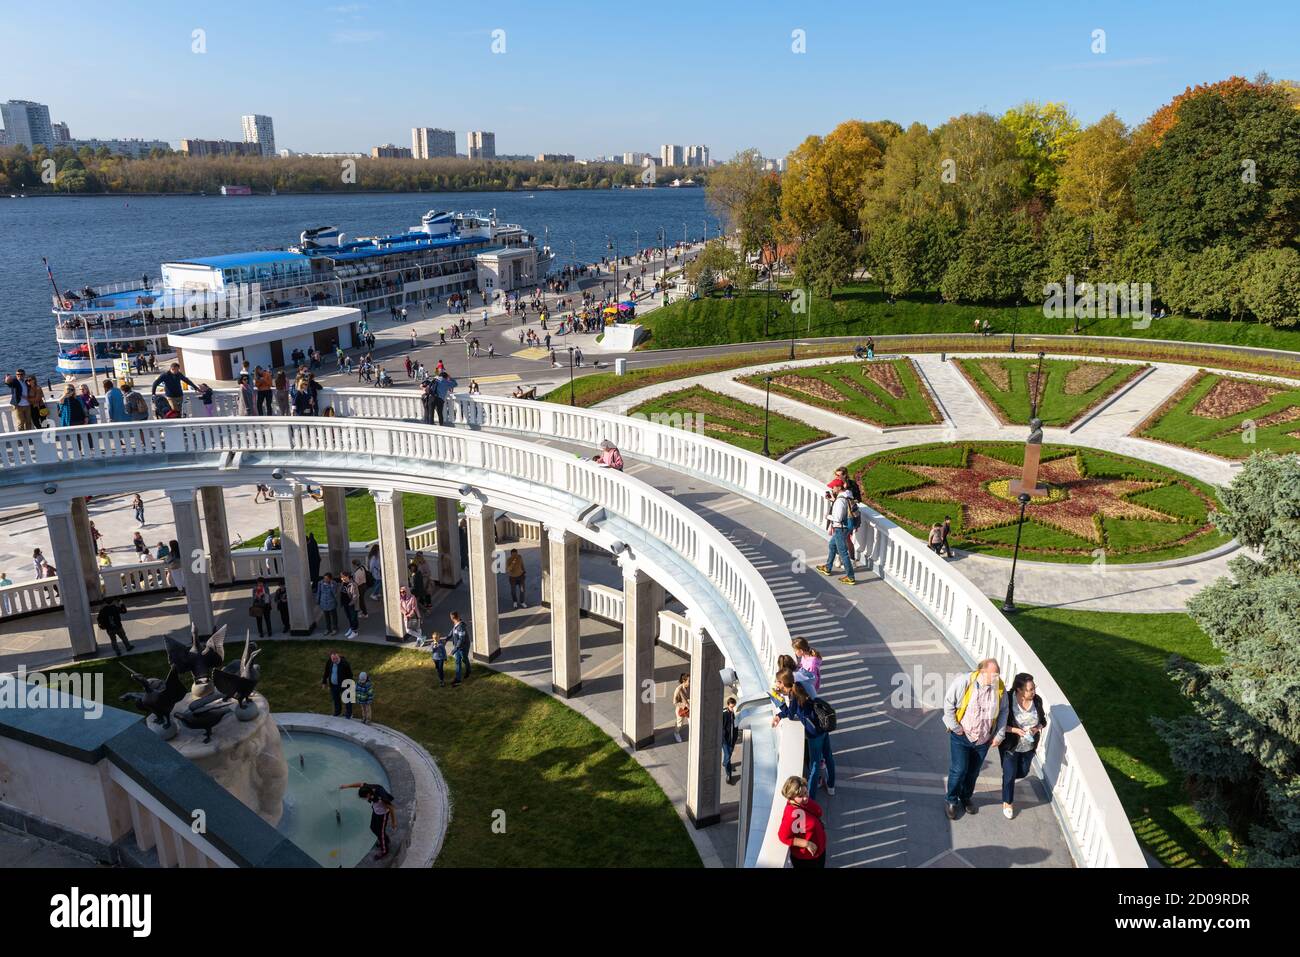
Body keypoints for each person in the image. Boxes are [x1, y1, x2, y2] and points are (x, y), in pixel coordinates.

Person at [942, 658, 1008, 820]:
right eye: (993, 675)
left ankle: (965, 797)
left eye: (997, 675)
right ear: (982, 671)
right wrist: (955, 727)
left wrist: (999, 735)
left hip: (983, 740)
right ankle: (951, 800)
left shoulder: (999, 687)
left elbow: (1004, 711)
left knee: (973, 772)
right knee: (959, 770)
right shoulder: (964, 681)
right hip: (962, 736)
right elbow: (948, 704)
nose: (996, 678)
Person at [772, 669, 837, 800]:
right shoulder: (798, 686)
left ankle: (811, 797)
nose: (776, 684)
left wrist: (779, 701)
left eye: (777, 682)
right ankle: (831, 786)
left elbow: (791, 715)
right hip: (821, 725)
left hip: (814, 733)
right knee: (828, 756)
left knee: (814, 766)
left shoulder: (792, 695)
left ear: (782, 683)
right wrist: (780, 714)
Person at [999, 673, 1046, 820]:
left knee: (1023, 772)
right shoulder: (1007, 699)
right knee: (1010, 774)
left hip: (1028, 746)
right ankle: (1008, 802)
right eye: (1030, 689)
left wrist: (1036, 728)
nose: (1033, 692)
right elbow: (998, 723)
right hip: (1010, 745)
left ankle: (1008, 777)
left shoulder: (1037, 701)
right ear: (1019, 689)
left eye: (1034, 688)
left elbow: (1043, 721)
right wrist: (1015, 730)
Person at [776, 775, 826, 868]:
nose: (805, 797)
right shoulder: (792, 814)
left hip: (817, 854)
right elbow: (783, 837)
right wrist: (806, 843)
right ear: (791, 796)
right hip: (807, 859)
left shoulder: (802, 803)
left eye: (806, 792)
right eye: (800, 796)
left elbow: (819, 811)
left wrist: (805, 801)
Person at [338, 782, 395, 861]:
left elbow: (391, 808)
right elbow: (359, 784)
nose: (364, 799)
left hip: (383, 815)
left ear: (368, 794)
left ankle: (384, 850)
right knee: (373, 828)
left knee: (380, 832)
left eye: (364, 797)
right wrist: (346, 786)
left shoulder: (380, 797)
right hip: (376, 811)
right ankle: (385, 839)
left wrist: (393, 822)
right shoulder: (368, 787)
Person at [816, 479, 857, 584]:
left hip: (840, 528)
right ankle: (828, 567)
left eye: (833, 487)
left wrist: (828, 516)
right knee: (832, 545)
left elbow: (838, 518)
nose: (832, 489)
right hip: (846, 527)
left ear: (839, 487)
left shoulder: (840, 501)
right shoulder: (847, 495)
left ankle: (850, 577)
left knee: (843, 553)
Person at [321, 651, 354, 719]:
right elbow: (326, 671)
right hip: (333, 685)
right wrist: (324, 682)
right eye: (332, 659)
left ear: (338, 657)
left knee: (347, 700)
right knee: (336, 699)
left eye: (335, 659)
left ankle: (349, 714)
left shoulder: (345, 664)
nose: (333, 661)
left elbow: (350, 675)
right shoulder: (330, 661)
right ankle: (337, 712)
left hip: (344, 684)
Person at [448, 611, 471, 685]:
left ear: (454, 618)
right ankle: (458, 679)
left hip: (463, 647)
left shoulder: (461, 627)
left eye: (453, 618)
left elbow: (461, 640)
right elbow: (452, 631)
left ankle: (468, 670)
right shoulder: (456, 624)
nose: (452, 619)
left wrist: (454, 650)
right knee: (457, 661)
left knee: (464, 659)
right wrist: (447, 638)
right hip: (457, 647)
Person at [722, 697, 740, 784]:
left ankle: (725, 762)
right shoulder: (724, 714)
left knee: (728, 755)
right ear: (728, 705)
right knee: (728, 757)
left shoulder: (733, 714)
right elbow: (722, 727)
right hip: (726, 741)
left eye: (734, 706)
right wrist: (724, 737)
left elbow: (735, 727)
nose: (733, 708)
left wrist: (735, 738)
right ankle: (729, 775)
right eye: (731, 707)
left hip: (732, 740)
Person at [339, 571, 359, 639]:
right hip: (345, 604)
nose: (341, 578)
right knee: (349, 617)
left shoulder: (353, 584)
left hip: (351, 605)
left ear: (347, 576)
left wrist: (350, 604)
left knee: (353, 618)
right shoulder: (343, 583)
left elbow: (355, 596)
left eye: (343, 577)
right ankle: (351, 628)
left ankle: (355, 631)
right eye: (341, 577)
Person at [673, 673, 690, 743]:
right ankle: (676, 733)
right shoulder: (678, 689)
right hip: (682, 709)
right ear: (684, 681)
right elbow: (675, 702)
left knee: (692, 722)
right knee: (679, 724)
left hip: (690, 708)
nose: (690, 682)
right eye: (689, 681)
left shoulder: (691, 687)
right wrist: (684, 705)